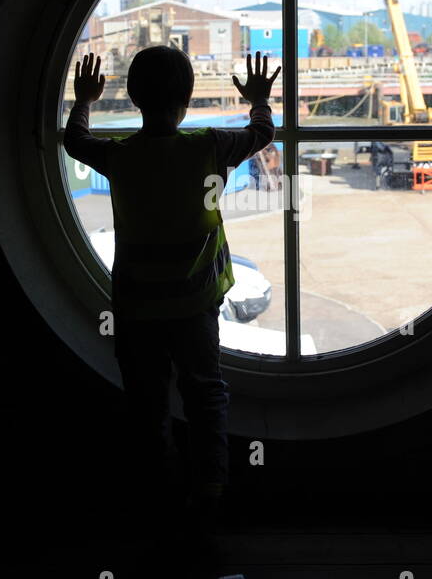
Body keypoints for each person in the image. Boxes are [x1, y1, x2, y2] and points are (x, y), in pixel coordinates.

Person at [63, 46, 279, 535]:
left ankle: (156, 495)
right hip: (196, 305)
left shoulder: (119, 156)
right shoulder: (207, 146)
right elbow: (262, 133)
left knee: (147, 403)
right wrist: (259, 98)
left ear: (134, 98)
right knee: (205, 395)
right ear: (187, 98)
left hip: (137, 309)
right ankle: (209, 493)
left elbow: (76, 141)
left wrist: (84, 100)